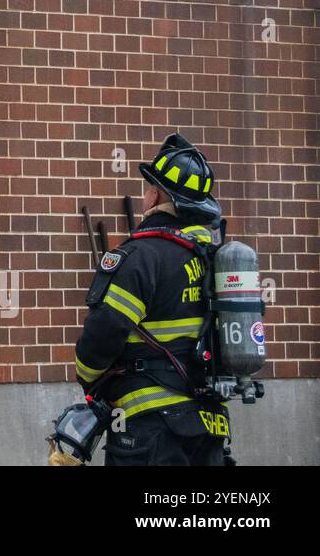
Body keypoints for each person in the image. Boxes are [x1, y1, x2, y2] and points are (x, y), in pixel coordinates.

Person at [73, 133, 229, 465]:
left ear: (156, 194)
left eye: (148, 188)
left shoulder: (141, 257)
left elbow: (103, 334)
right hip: (210, 422)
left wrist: (87, 381)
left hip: (148, 426)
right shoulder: (217, 259)